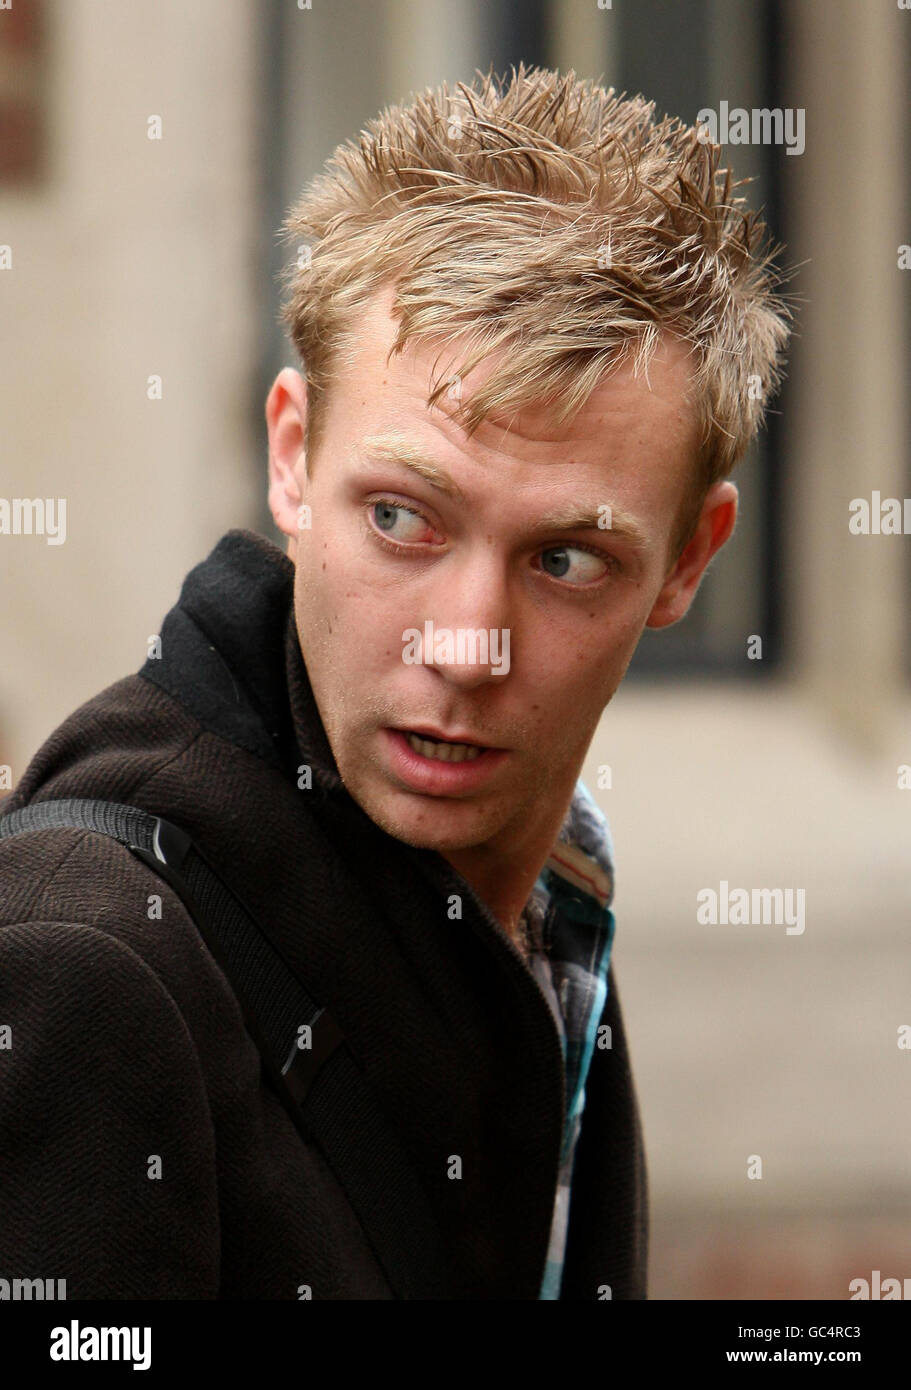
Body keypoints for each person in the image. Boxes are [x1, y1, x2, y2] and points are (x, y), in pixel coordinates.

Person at [0, 64, 791, 1300]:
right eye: (402, 518)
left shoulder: (549, 898)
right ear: (292, 454)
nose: (468, 646)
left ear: (689, 559)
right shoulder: (85, 964)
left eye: (567, 558)